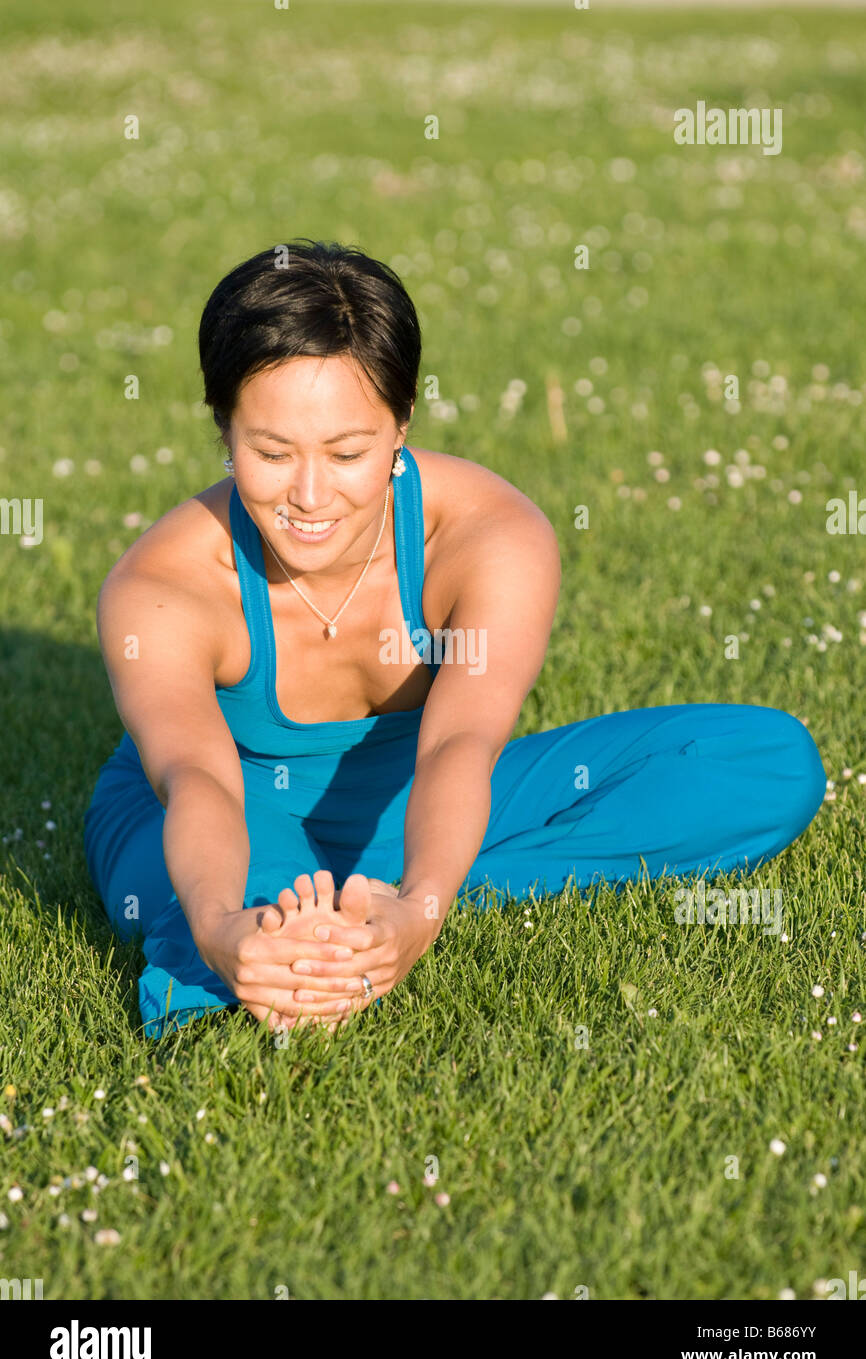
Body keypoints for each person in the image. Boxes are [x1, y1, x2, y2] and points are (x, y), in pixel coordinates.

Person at [83, 239, 827, 1039]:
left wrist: (419, 913)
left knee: (766, 761)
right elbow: (201, 781)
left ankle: (384, 897)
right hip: (225, 816)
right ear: (223, 428)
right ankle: (294, 926)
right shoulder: (160, 587)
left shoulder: (490, 535)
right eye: (269, 453)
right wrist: (222, 927)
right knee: (249, 923)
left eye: (347, 452)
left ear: (402, 423)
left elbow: (460, 747)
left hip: (426, 794)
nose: (308, 494)